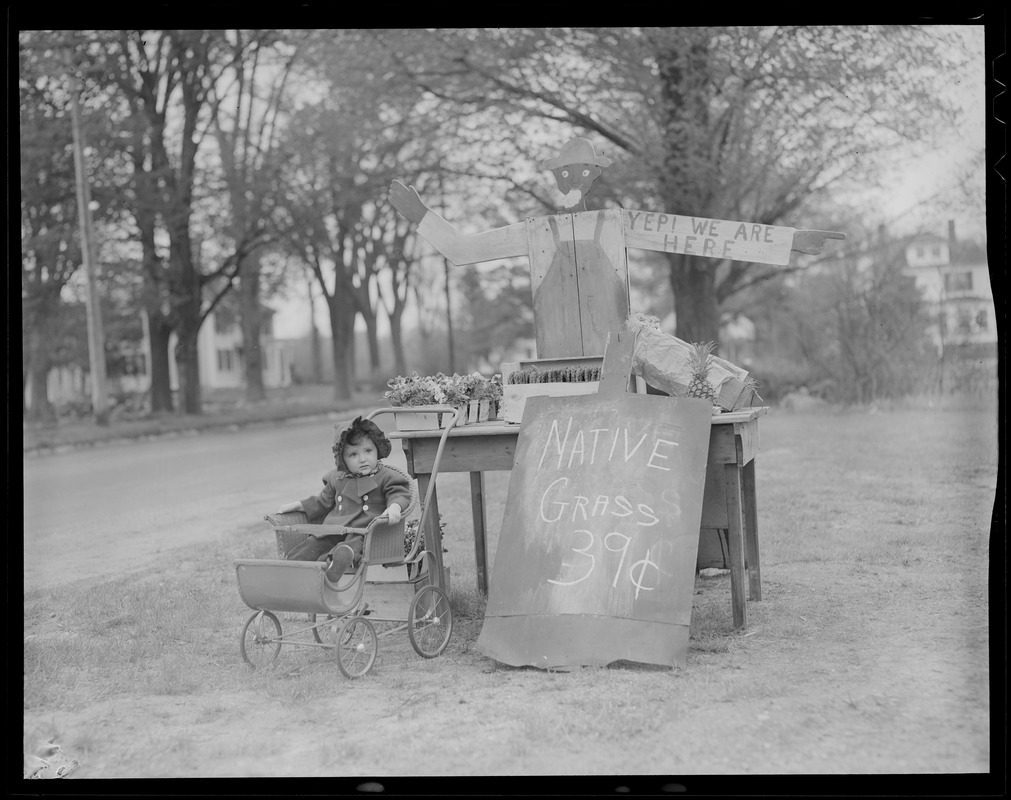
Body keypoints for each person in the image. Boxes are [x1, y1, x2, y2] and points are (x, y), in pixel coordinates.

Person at [276, 416, 412, 582]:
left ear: (377, 450)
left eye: (368, 451)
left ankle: (335, 565)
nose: (362, 459)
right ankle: (289, 570)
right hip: (335, 528)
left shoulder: (386, 477)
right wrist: (300, 505)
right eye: (353, 454)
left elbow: (399, 493)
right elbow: (323, 501)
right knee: (314, 544)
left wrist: (394, 507)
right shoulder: (337, 478)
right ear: (343, 459)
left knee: (350, 546)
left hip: (365, 531)